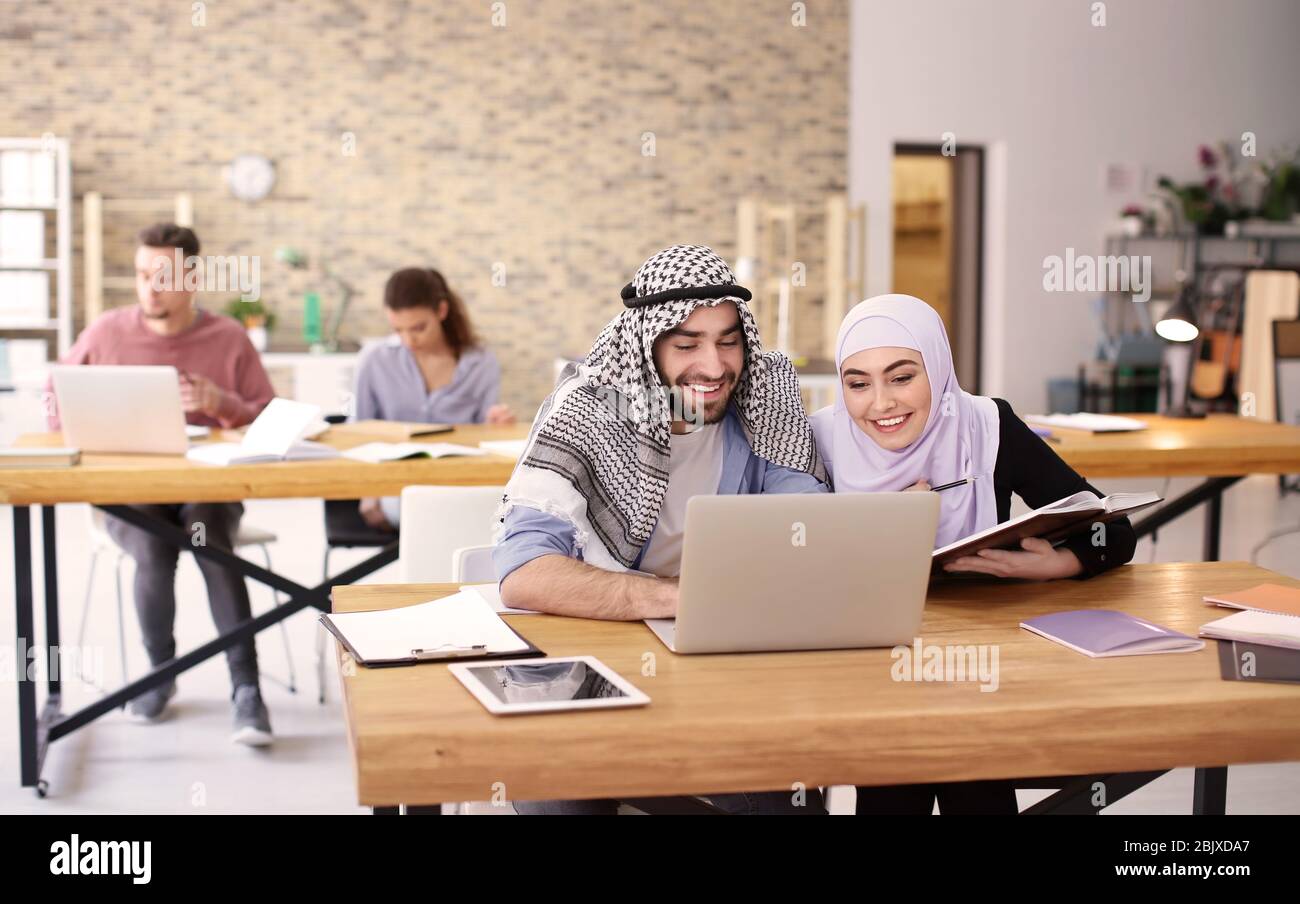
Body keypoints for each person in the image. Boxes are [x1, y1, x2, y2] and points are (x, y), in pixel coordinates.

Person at [494, 244, 828, 815]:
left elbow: (808, 534)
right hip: (592, 672)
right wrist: (679, 598)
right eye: (687, 343)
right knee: (559, 794)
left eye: (728, 341)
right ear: (647, 348)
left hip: (723, 676)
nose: (715, 365)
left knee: (785, 800)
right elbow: (524, 574)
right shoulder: (589, 410)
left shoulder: (763, 399)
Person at [811, 293, 1137, 814]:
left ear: (938, 368)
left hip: (979, 664)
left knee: (971, 773)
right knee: (900, 772)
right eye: (858, 383)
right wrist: (880, 530)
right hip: (869, 666)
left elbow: (1113, 532)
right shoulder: (820, 439)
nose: (881, 403)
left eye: (901, 377)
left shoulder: (987, 425)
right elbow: (794, 569)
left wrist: (1058, 562)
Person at [49, 223, 276, 744]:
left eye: (163, 276)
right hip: (132, 496)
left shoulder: (228, 339)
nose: (150, 287)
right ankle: (160, 674)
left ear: (192, 279)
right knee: (152, 543)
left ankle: (246, 690)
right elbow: (55, 393)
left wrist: (224, 405)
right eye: (142, 275)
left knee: (207, 533)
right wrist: (75, 421)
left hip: (208, 493)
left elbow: (269, 418)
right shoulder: (107, 332)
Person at [351, 266, 514, 530]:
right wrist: (369, 492)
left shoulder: (481, 361)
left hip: (460, 482)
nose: (408, 340)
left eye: (418, 328)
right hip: (396, 487)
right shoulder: (373, 360)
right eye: (398, 329)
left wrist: (497, 424)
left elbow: (487, 436)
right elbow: (356, 433)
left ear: (441, 311)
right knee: (431, 512)